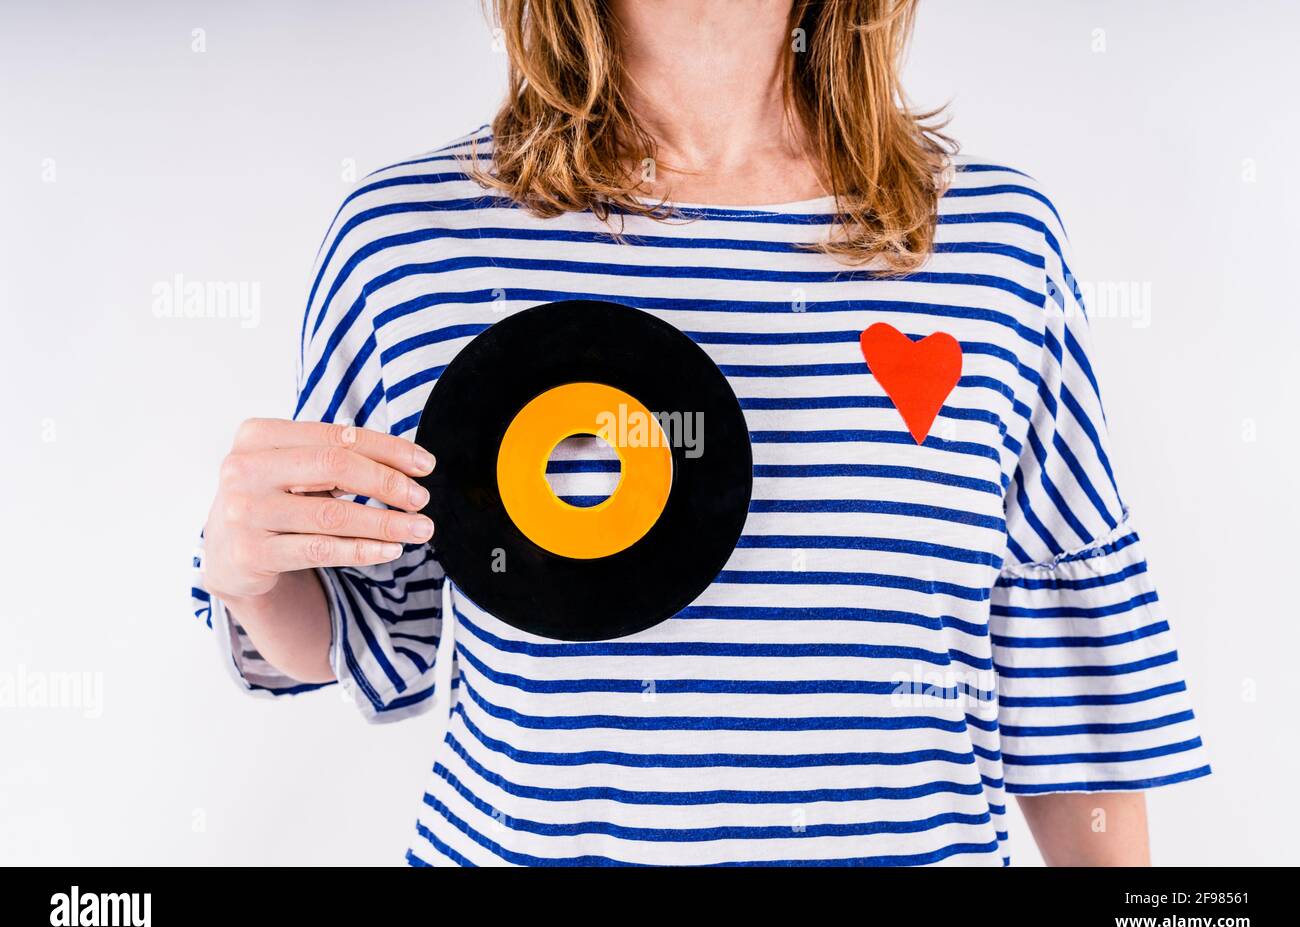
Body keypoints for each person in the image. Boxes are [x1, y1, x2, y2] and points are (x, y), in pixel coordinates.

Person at [192, 0, 1208, 866]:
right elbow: (359, 629)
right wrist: (246, 570)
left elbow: (1070, 662)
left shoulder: (995, 236)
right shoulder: (409, 238)